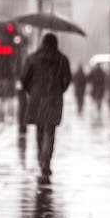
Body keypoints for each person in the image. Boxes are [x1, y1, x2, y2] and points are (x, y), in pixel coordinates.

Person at [21, 33, 71, 184]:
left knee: (40, 130)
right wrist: (58, 89)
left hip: (37, 98)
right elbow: (67, 79)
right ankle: (45, 161)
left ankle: (41, 159)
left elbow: (24, 79)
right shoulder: (62, 59)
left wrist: (32, 89)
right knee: (50, 131)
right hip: (54, 98)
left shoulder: (32, 58)